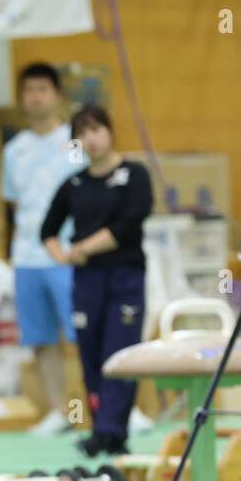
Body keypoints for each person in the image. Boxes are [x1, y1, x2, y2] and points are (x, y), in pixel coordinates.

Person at [41, 106, 152, 457]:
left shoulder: (134, 175)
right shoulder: (74, 185)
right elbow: (47, 230)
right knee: (90, 354)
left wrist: (83, 247)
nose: (92, 138)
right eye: (83, 132)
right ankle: (101, 428)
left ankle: (112, 431)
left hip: (125, 276)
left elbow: (129, 225)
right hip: (87, 281)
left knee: (120, 352)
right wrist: (61, 255)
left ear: (110, 130)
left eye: (97, 129)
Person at [2, 63, 80, 436]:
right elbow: (14, 203)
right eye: (28, 90)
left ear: (57, 96)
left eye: (42, 89)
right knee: (42, 340)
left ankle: (96, 406)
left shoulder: (77, 142)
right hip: (27, 257)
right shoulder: (14, 150)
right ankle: (57, 411)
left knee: (81, 336)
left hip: (68, 254)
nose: (35, 96)